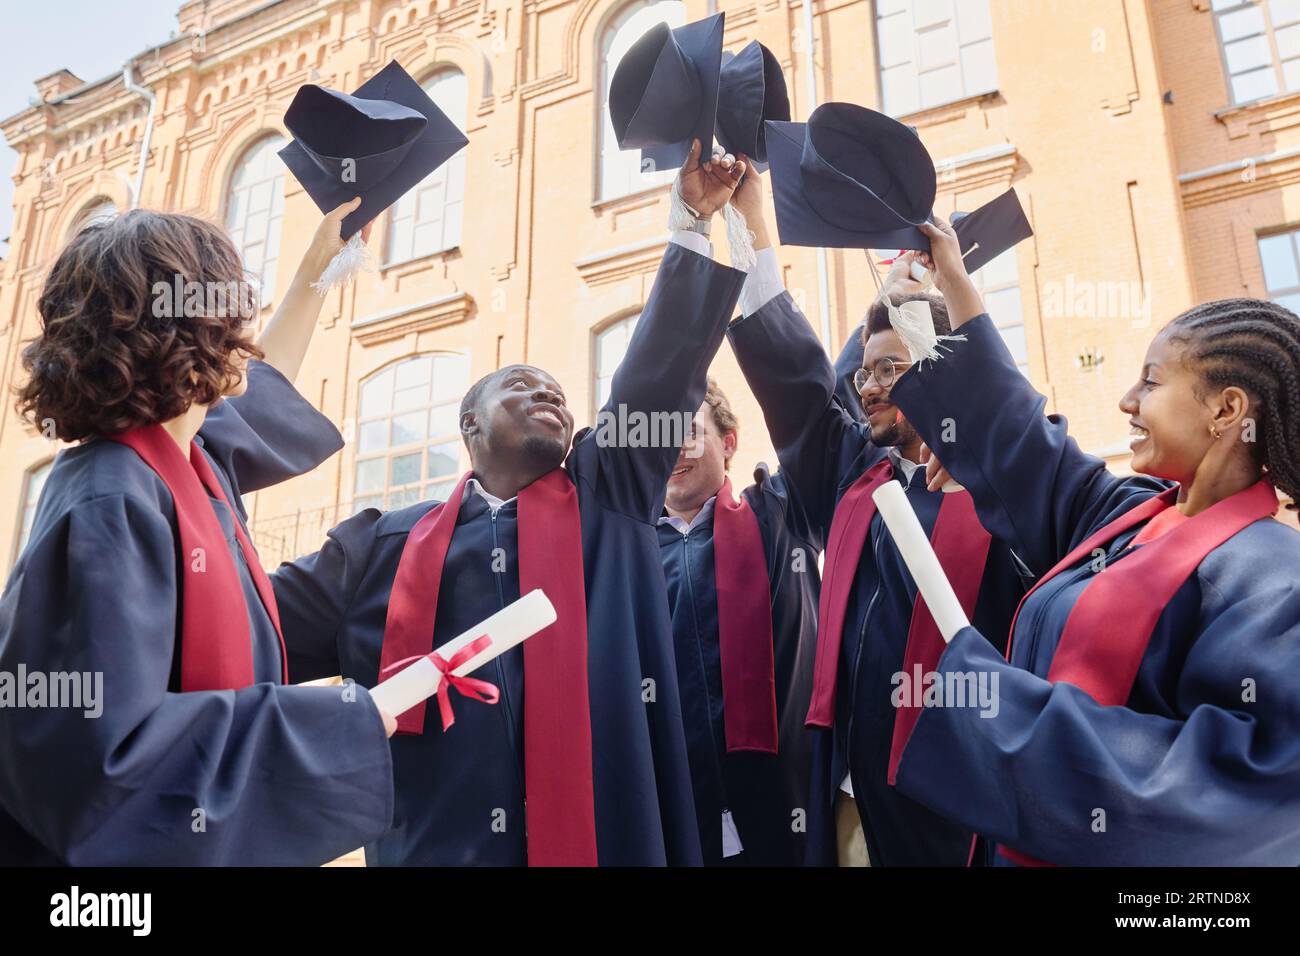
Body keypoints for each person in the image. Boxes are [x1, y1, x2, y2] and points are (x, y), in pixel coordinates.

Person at [271, 141, 749, 865]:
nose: (548, 393)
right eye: (520, 386)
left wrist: (689, 220)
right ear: (470, 426)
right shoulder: (377, 550)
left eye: (556, 389)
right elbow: (249, 629)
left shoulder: (608, 498)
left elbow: (658, 370)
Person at [886, 220, 1300, 866]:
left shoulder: (1275, 580)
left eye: (1153, 382)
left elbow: (1232, 794)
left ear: (1226, 411)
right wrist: (938, 299)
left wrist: (1003, 713)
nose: (1126, 400)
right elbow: (1020, 442)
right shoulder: (1131, 521)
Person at [0, 199, 398, 865]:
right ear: (193, 325)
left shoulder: (188, 464)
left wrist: (314, 271)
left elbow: (264, 396)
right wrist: (344, 725)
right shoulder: (110, 498)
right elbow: (106, 762)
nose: (243, 325)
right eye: (232, 306)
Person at [724, 173, 1028, 866]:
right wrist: (749, 220)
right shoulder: (859, 476)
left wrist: (922, 296)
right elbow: (793, 377)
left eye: (888, 370)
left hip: (970, 799)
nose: (864, 388)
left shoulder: (1010, 485)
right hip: (854, 797)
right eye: (862, 373)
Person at [657, 376, 820, 865]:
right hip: (679, 813)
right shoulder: (630, 551)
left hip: (784, 800)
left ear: (728, 443)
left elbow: (819, 419)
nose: (673, 450)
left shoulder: (778, 514)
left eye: (688, 432)